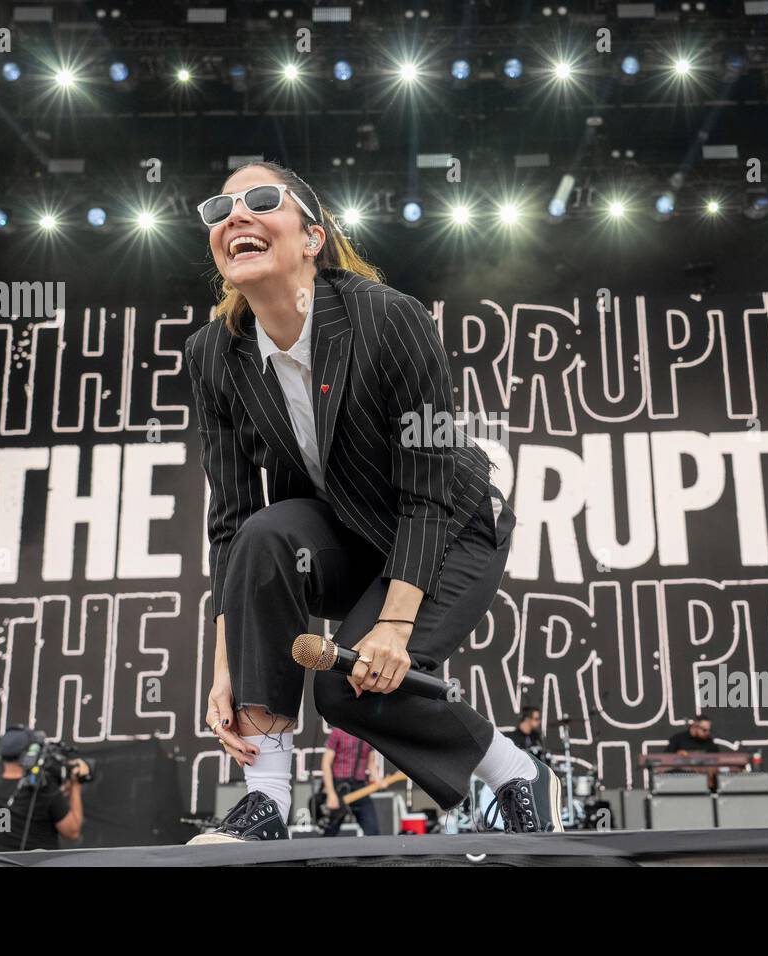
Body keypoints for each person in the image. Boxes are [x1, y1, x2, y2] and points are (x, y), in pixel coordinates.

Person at [185, 161, 562, 843]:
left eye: (262, 201)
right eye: (220, 207)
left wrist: (391, 627)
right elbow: (231, 524)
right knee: (265, 534)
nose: (235, 215)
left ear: (312, 238)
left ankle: (515, 771)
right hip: (350, 536)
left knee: (344, 687)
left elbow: (428, 487)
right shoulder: (214, 354)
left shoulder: (389, 318)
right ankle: (265, 803)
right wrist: (225, 663)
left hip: (450, 523)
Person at [0, 728, 87, 851]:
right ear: (30, 753)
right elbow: (72, 832)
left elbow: (5, 827)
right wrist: (76, 785)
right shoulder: (43, 789)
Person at [319, 726, 383, 836]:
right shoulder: (338, 731)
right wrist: (331, 793)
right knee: (329, 832)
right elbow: (326, 763)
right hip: (339, 786)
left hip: (359, 787)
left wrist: (379, 781)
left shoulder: (368, 734)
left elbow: (371, 764)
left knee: (372, 829)